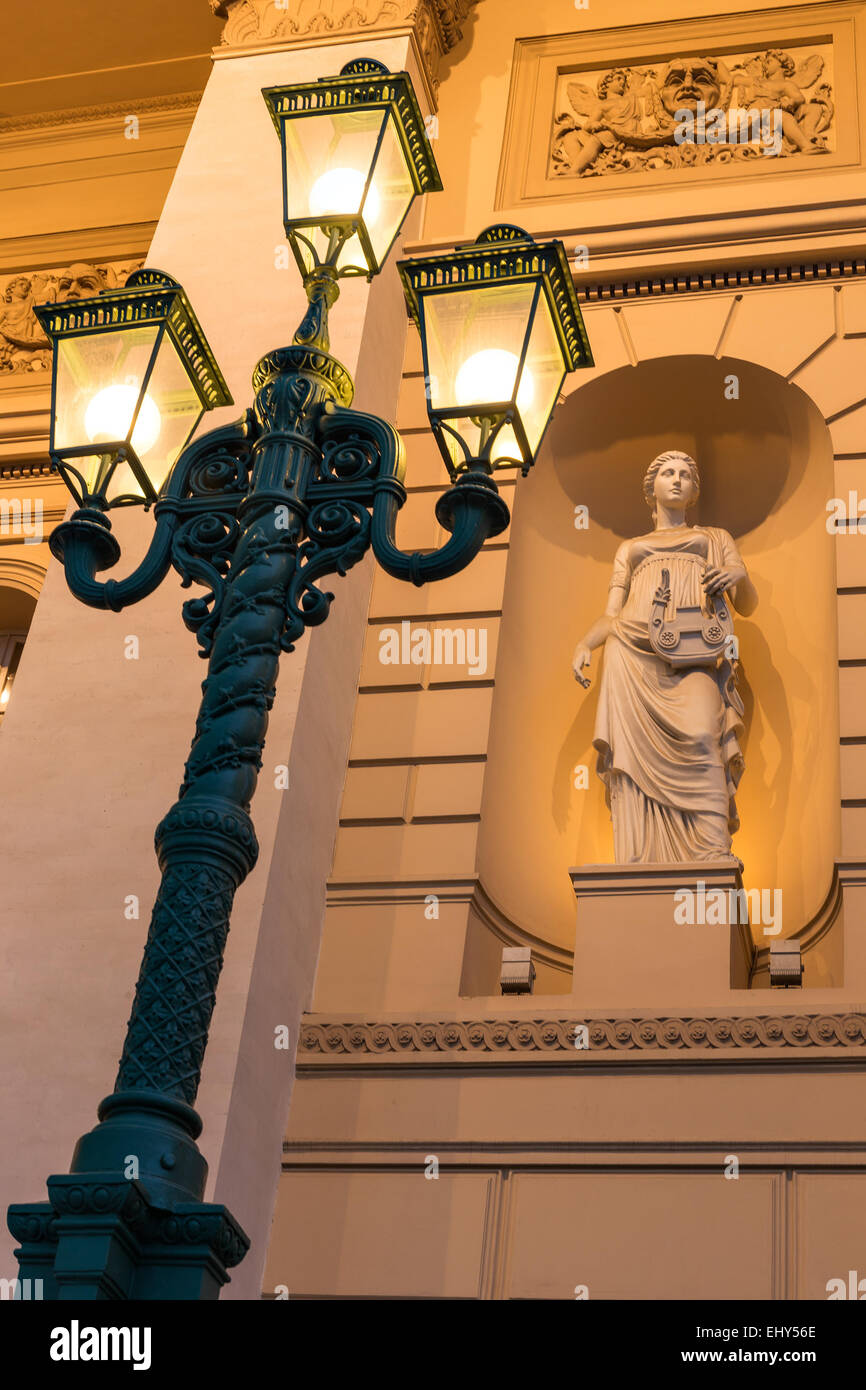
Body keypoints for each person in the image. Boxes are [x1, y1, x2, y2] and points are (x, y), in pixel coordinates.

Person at [572, 450, 757, 863]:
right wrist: (586, 643)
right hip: (632, 650)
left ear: (693, 491)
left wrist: (738, 575)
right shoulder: (631, 548)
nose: (677, 480)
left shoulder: (715, 538)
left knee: (700, 735)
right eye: (668, 473)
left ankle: (711, 852)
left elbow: (746, 604)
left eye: (685, 475)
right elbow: (611, 614)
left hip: (696, 651)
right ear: (651, 487)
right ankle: (639, 857)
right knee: (635, 758)